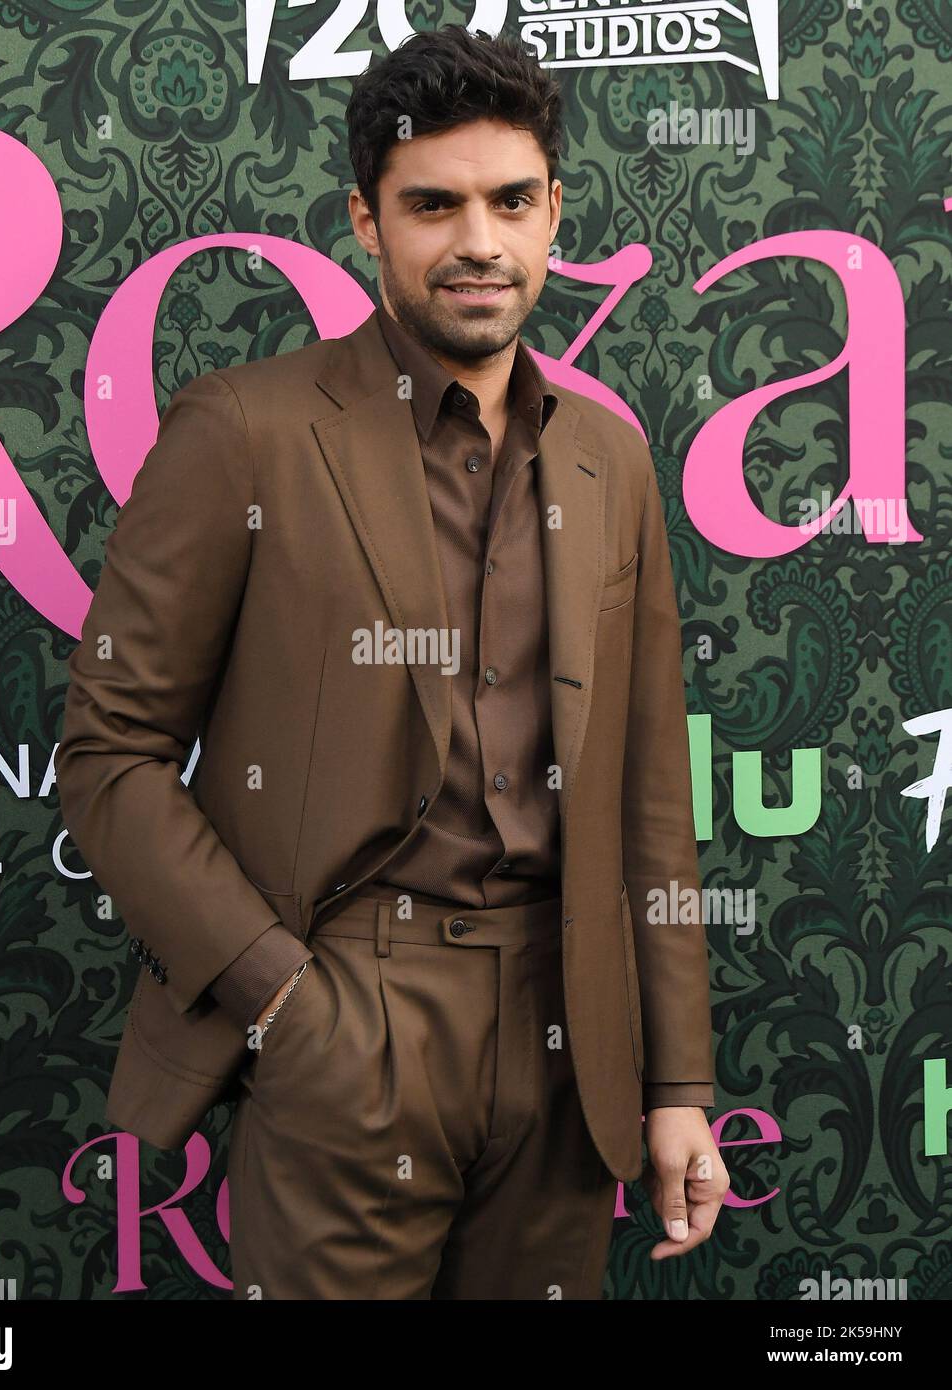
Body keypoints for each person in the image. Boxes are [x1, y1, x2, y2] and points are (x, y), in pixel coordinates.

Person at [56, 23, 729, 1300]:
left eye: (509, 201)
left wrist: (677, 1082)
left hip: (568, 1032)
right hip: (346, 1016)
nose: (477, 239)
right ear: (365, 222)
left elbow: (647, 795)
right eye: (433, 205)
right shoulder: (243, 433)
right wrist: (286, 1005)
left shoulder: (607, 460)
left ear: (553, 213)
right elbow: (110, 755)